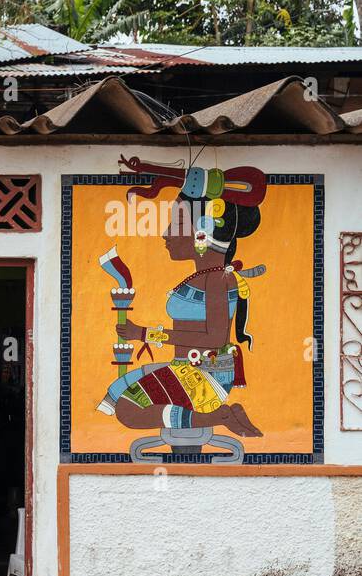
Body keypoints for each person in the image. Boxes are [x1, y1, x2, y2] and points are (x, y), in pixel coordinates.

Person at [98, 186, 265, 439]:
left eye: (176, 225)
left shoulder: (218, 280)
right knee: (116, 389)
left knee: (127, 410)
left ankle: (218, 416)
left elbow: (215, 339)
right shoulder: (206, 276)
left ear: (202, 233)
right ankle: (214, 417)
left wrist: (145, 334)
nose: (166, 234)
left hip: (205, 374)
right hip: (186, 367)